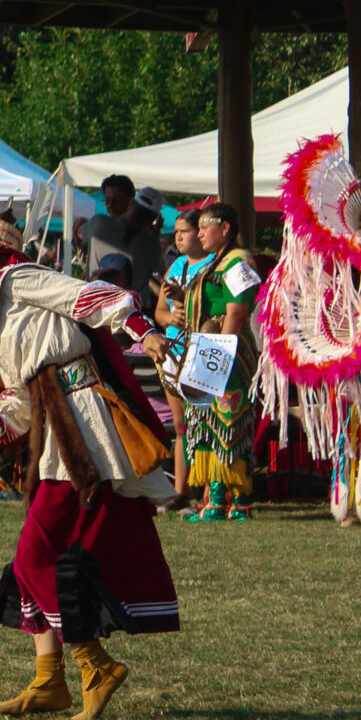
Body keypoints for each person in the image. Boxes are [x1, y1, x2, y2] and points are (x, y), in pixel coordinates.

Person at [0, 217, 178, 720]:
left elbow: (89, 297)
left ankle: (93, 664)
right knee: (34, 558)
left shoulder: (16, 279)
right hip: (56, 428)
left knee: (35, 552)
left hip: (83, 428)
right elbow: (22, 395)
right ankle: (51, 680)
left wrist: (143, 330)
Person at [176, 202, 262, 522]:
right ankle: (214, 499)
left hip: (225, 346)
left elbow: (237, 312)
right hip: (208, 345)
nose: (198, 232)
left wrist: (220, 356)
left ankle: (237, 501)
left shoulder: (238, 262)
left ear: (225, 228)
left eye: (204, 226)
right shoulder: (215, 263)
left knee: (227, 419)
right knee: (206, 421)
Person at [153, 209, 210, 511]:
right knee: (180, 424)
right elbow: (159, 313)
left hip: (203, 348)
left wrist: (189, 306)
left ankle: (210, 490)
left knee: (205, 420)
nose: (178, 237)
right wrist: (170, 316)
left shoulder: (215, 265)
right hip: (174, 350)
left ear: (200, 233)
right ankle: (180, 492)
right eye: (176, 232)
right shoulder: (175, 265)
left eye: (184, 231)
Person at [79, 174, 134, 273]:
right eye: (107, 201)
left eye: (116, 200)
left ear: (130, 201)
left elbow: (78, 230)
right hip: (97, 287)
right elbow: (78, 230)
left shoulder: (98, 223)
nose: (111, 205)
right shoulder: (98, 224)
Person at [122, 187, 166, 306]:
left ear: (130, 204)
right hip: (134, 307)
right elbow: (158, 273)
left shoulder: (103, 225)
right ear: (154, 217)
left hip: (99, 304)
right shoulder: (150, 244)